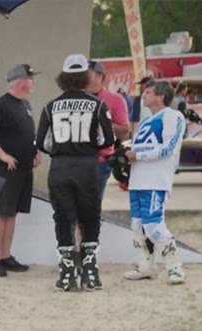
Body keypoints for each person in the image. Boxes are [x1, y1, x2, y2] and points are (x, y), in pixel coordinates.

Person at [35, 54, 114, 292]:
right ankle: (90, 272)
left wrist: (60, 149)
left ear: (63, 77)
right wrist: (90, 148)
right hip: (88, 167)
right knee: (90, 216)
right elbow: (108, 139)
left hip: (60, 168)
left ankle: (67, 274)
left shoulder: (50, 107)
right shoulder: (98, 104)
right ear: (86, 76)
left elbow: (41, 143)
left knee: (63, 217)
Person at [0, 63, 38, 278]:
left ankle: (5, 255)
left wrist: (34, 151)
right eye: (30, 78)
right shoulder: (1, 105)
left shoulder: (25, 104)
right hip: (6, 169)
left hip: (23, 168)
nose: (33, 82)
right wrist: (2, 155)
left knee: (12, 214)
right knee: (0, 213)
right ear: (20, 81)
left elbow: (26, 133)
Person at [122, 80, 186, 285]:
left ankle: (175, 267)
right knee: (138, 224)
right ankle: (146, 266)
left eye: (148, 92)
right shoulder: (144, 121)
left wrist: (137, 155)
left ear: (161, 96)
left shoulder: (173, 116)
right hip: (137, 180)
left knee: (154, 224)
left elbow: (168, 148)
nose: (144, 96)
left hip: (156, 180)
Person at [88, 60, 131, 199]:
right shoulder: (76, 97)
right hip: (74, 159)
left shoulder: (115, 99)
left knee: (91, 208)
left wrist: (102, 123)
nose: (83, 79)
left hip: (99, 161)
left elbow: (124, 131)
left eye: (88, 75)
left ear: (100, 77)